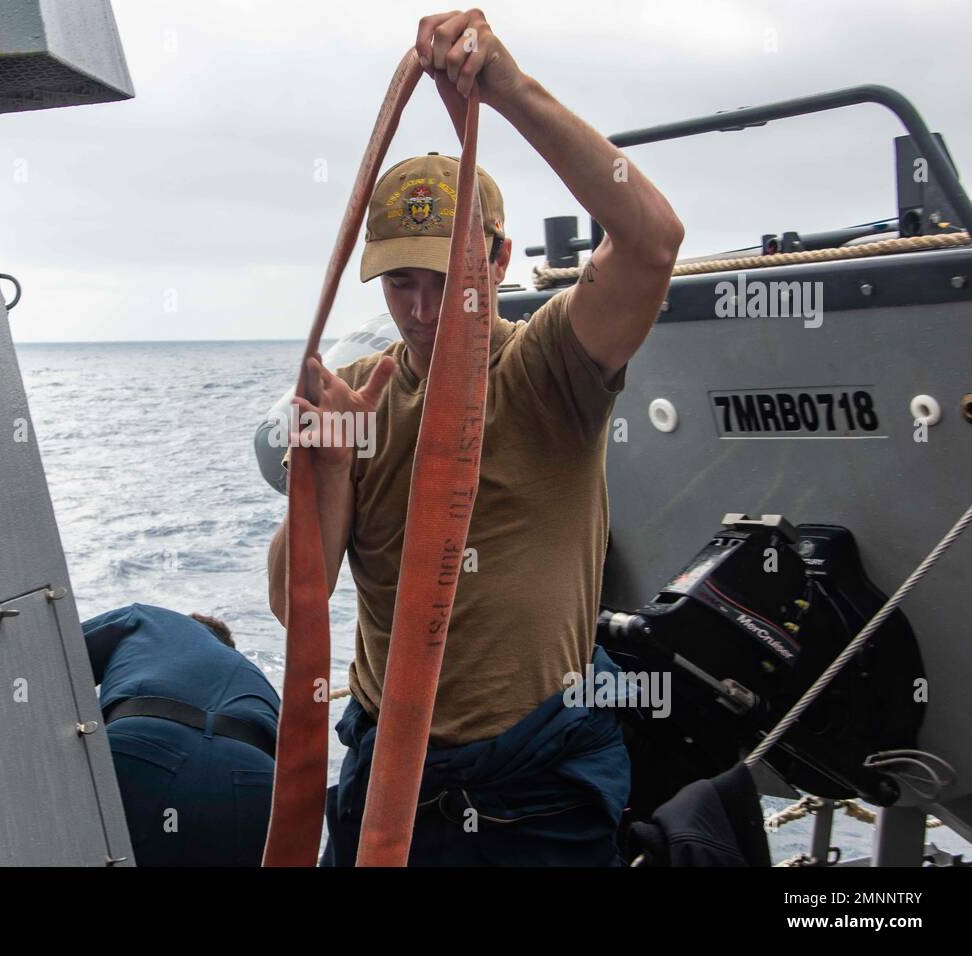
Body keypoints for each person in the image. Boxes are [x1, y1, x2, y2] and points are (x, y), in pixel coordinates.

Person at [267, 9, 684, 866]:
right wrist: (331, 470)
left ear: (495, 259)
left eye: (444, 277)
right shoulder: (368, 398)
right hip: (388, 780)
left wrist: (507, 89)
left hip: (531, 793)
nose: (420, 311)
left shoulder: (548, 370)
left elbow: (651, 243)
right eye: (401, 284)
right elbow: (291, 606)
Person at [82, 604, 280, 866]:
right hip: (255, 780)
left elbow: (50, 649)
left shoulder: (149, 619)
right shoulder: (253, 678)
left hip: (142, 746)